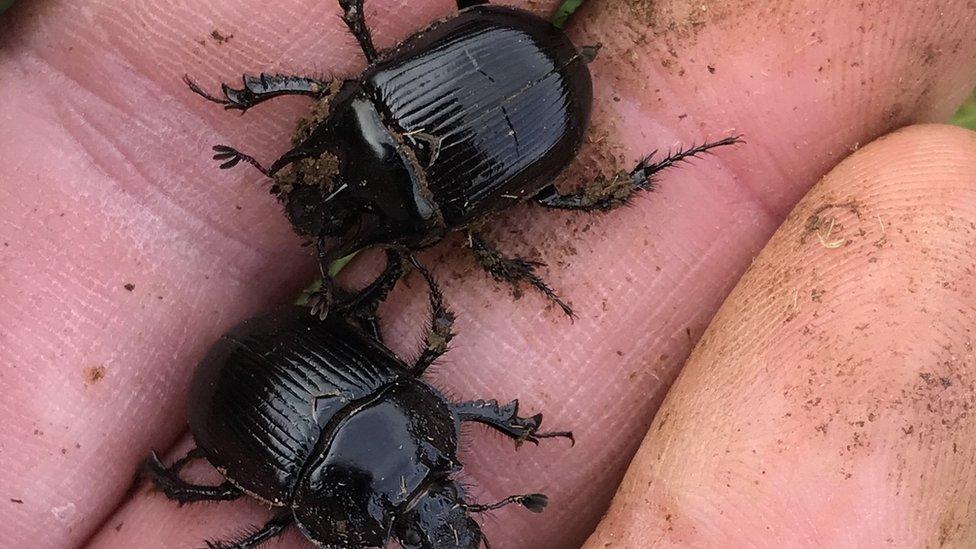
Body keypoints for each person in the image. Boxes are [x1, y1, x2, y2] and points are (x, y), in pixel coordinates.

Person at [1, 1, 974, 547]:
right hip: (484, 101)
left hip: (490, 108)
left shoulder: (404, 300)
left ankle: (643, 176)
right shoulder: (409, 310)